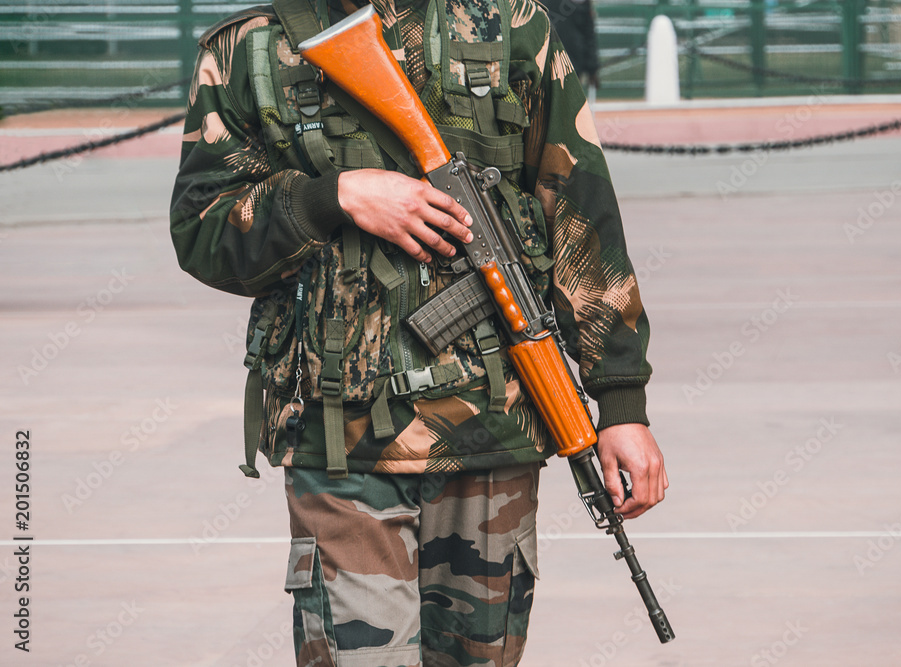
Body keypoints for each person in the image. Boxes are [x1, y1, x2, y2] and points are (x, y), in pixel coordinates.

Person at [169, 0, 666, 664]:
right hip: (338, 437)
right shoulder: (251, 49)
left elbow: (581, 218)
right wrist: (334, 196)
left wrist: (622, 402)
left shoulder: (513, 27)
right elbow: (204, 231)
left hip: (494, 432)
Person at [540, 0, 601, 94]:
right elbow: (588, 33)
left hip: (548, 60)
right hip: (569, 62)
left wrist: (592, 68)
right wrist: (592, 68)